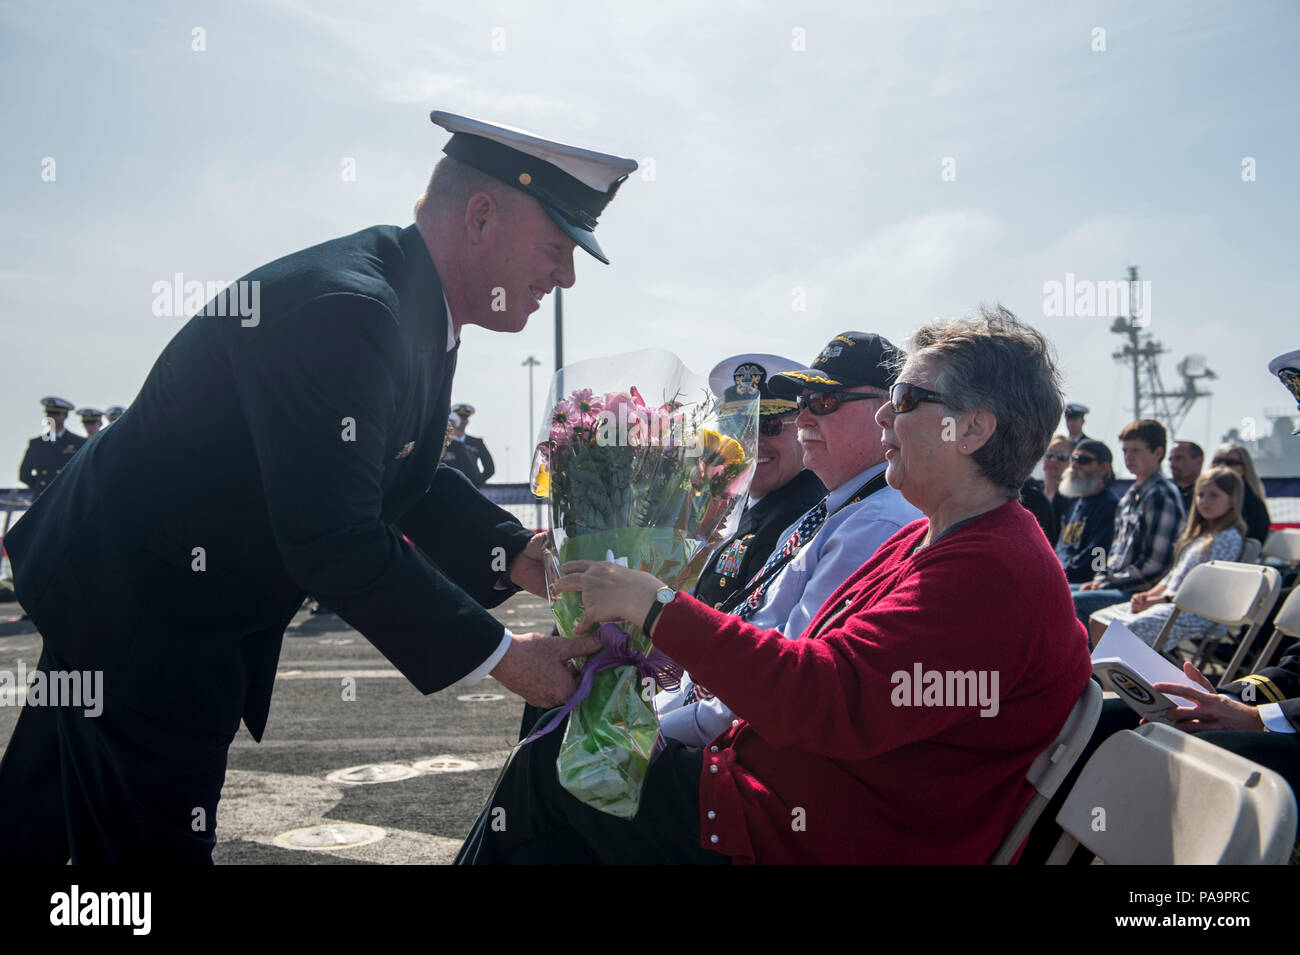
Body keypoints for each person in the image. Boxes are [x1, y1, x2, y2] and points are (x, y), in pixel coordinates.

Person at [0, 111, 637, 863]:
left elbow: (399, 472)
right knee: (145, 852)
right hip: (146, 609)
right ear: (481, 215)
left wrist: (514, 553)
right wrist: (503, 654)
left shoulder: (408, 304)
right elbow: (333, 535)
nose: (563, 276)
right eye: (557, 247)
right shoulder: (350, 311)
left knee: (35, 824)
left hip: (124, 584)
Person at [456, 306, 1091, 864]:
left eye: (905, 400)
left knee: (555, 773)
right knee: (562, 801)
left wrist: (658, 608)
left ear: (973, 429)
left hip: (806, 836)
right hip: (779, 803)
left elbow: (822, 696)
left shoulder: (989, 571)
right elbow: (806, 661)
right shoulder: (938, 537)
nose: (887, 421)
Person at [655, 332, 921, 747]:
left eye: (826, 402)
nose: (804, 419)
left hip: (739, 755)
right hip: (711, 724)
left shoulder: (876, 523)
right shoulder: (837, 511)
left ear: (886, 414)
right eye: (803, 404)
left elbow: (783, 676)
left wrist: (654, 731)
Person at [689, 353, 825, 610]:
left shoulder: (801, 517)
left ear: (802, 429)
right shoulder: (738, 506)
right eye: (740, 427)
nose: (753, 443)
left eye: (771, 426)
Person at [1085, 467, 1245, 650]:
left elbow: (1205, 590)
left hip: (1196, 612)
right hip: (1171, 603)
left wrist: (1158, 601)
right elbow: (1174, 576)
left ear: (1232, 501)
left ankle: (1130, 676)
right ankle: (1106, 678)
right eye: (1200, 495)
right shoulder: (1200, 536)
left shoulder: (1227, 538)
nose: (1204, 501)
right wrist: (1149, 595)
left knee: (1125, 630)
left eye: (1213, 495)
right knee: (1099, 619)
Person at [1072, 418, 1185, 625]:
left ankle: (1089, 657)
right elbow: (1112, 553)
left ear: (1158, 453)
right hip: (1115, 584)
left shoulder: (1160, 495)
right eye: (1125, 451)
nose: (1128, 457)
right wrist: (1099, 578)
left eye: (1136, 451)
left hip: (1140, 594)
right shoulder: (1127, 499)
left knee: (1071, 601)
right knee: (1055, 590)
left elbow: (1153, 566)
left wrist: (1106, 581)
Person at [1054, 439, 1119, 584]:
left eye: (1084, 460)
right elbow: (1061, 550)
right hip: (1061, 578)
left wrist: (1060, 574)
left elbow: (1099, 557)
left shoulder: (1110, 506)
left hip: (1086, 584)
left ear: (1103, 468)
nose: (1074, 465)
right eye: (1073, 459)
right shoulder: (1071, 506)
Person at [17, 396, 85, 494]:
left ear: (65, 416)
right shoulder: (36, 444)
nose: (52, 417)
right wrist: (41, 487)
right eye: (49, 414)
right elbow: (24, 474)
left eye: (56, 414)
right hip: (43, 496)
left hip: (67, 495)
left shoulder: (78, 442)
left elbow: (83, 472)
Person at [1210, 442, 1271, 544]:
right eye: (1217, 461)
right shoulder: (1200, 497)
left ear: (1244, 469)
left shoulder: (1253, 505)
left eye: (1230, 462)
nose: (1221, 467)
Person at [442, 402, 496, 487]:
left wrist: (477, 482)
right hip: (447, 486)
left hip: (470, 489)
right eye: (459, 417)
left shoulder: (476, 443)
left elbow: (490, 468)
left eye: (465, 417)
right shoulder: (444, 442)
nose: (462, 420)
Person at [1167, 440, 1204, 516]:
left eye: (1178, 458)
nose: (1172, 465)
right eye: (1170, 460)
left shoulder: (1207, 492)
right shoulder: (1165, 491)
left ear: (1199, 461)